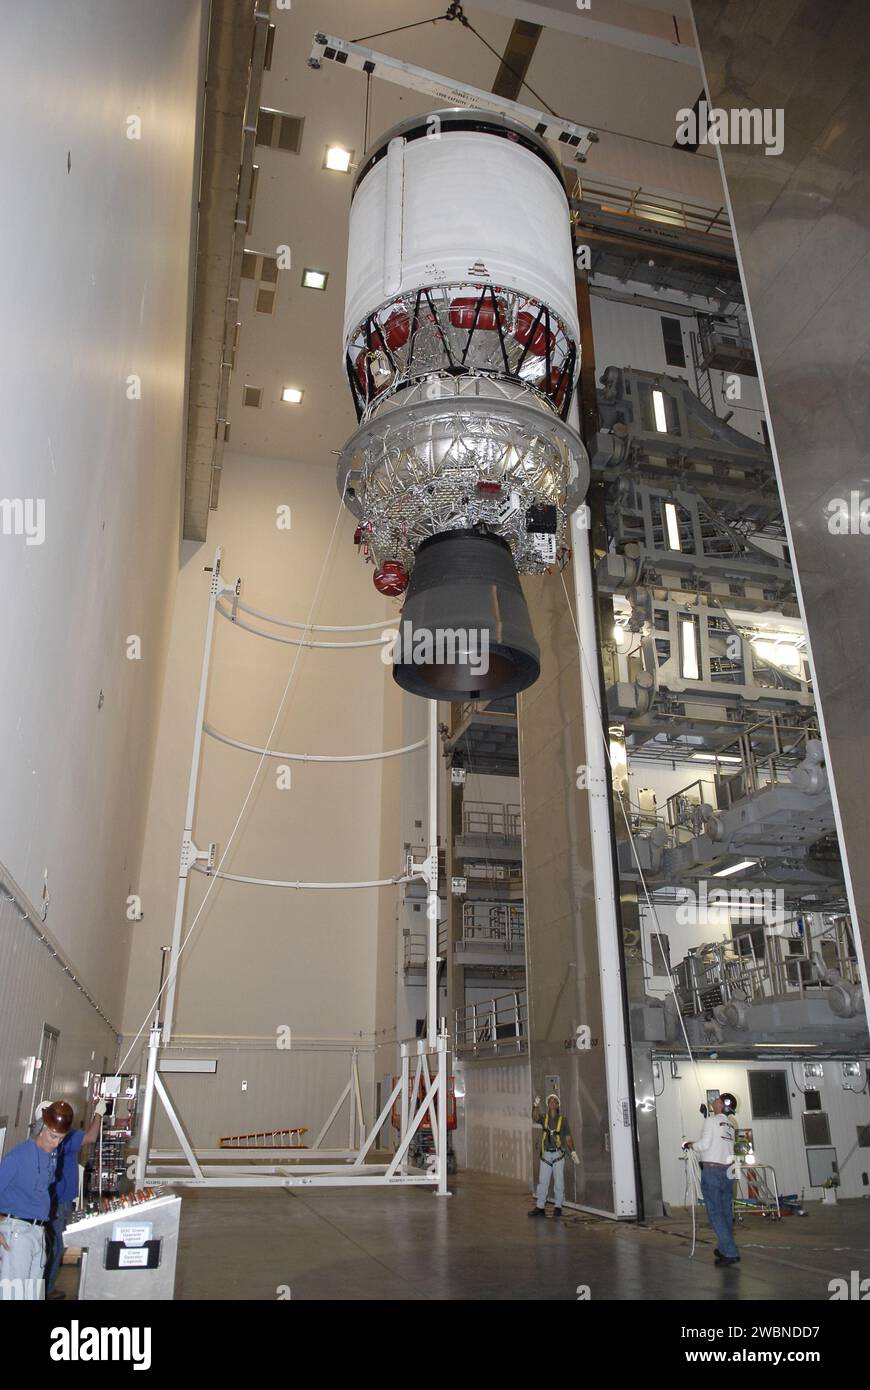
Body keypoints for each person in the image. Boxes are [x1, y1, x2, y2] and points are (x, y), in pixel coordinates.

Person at [0, 1100, 72, 1299]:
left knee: (33, 1294)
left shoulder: (51, 1155)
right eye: (53, 1136)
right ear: (41, 1128)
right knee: (13, 1293)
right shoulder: (17, 1157)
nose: (56, 1142)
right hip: (17, 1231)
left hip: (38, 1231)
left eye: (61, 1138)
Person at [36, 1099, 105, 1301]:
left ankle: (39, 1285)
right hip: (61, 1199)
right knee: (56, 1243)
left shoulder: (35, 1140)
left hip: (44, 1200)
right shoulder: (69, 1136)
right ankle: (47, 1289)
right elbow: (92, 1137)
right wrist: (99, 1114)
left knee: (45, 1243)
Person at [685, 1092, 740, 1267]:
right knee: (725, 1213)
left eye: (718, 1099)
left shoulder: (710, 1121)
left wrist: (690, 1145)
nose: (715, 1100)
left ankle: (730, 1251)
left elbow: (704, 1145)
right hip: (728, 1172)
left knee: (715, 1213)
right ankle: (724, 1249)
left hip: (712, 1172)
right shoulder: (731, 1125)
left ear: (721, 1106)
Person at [528, 1092, 579, 1219]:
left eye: (554, 1101)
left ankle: (558, 1207)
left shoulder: (563, 1121)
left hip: (558, 1155)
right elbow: (534, 1117)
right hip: (546, 1155)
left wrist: (572, 1151)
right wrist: (535, 1106)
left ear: (557, 1105)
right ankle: (540, 1207)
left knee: (559, 1182)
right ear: (547, 1104)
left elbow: (567, 1137)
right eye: (549, 1101)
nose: (551, 1103)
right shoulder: (544, 1117)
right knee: (542, 1182)